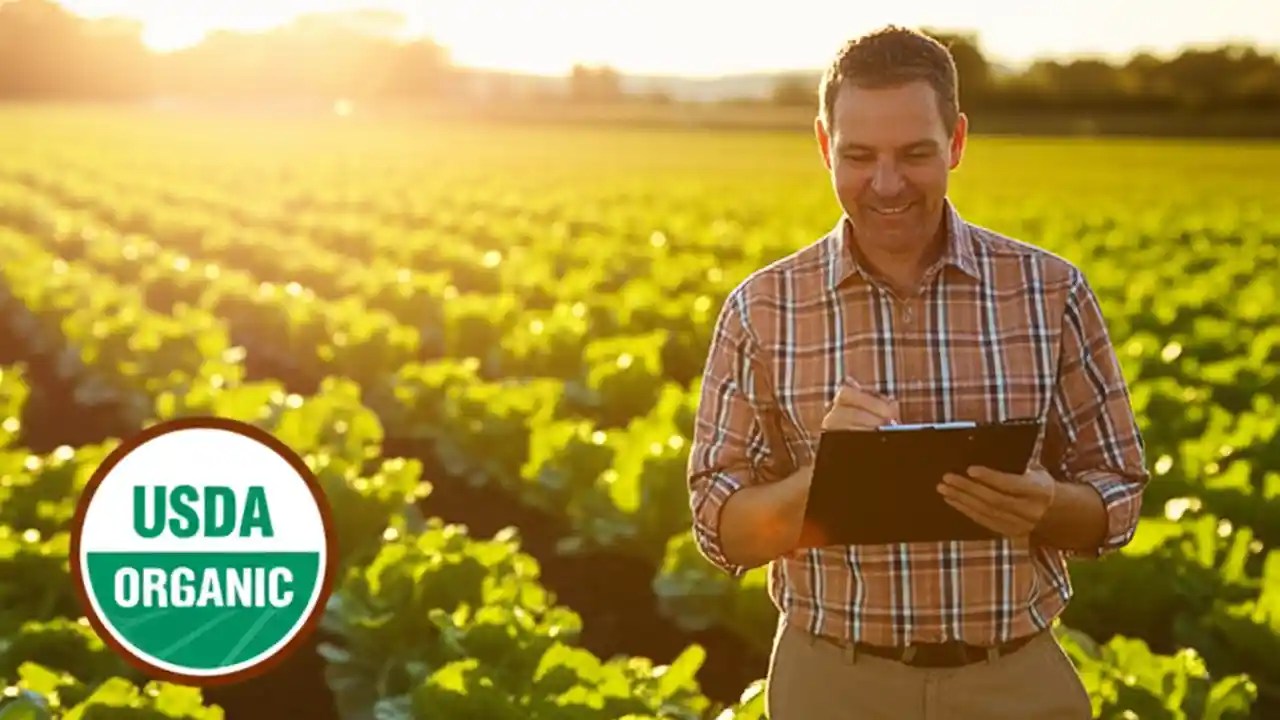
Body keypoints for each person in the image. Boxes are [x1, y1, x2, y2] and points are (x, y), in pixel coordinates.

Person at [686, 25, 1150, 719]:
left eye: (915, 154)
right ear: (823, 146)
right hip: (833, 684)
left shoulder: (1050, 291)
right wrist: (831, 479)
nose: (887, 184)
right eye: (859, 155)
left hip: (1014, 679)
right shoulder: (763, 309)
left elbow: (1117, 493)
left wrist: (1047, 505)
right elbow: (721, 531)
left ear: (957, 143)